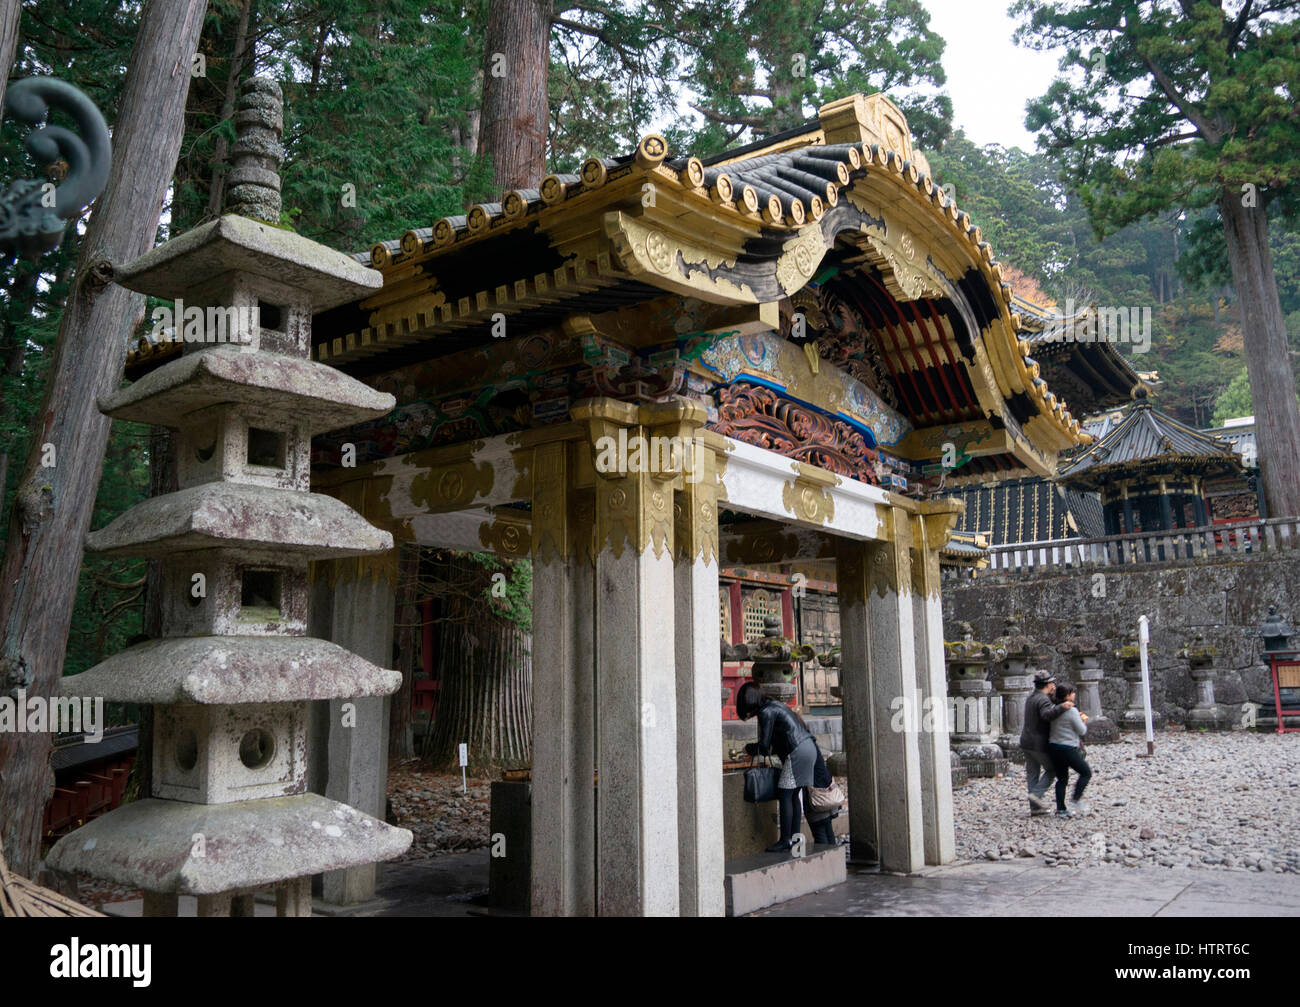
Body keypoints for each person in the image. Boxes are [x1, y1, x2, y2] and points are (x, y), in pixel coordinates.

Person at [736, 681, 820, 853]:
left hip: (796, 751)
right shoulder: (774, 705)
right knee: (794, 795)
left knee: (785, 793)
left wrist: (748, 748)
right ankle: (795, 840)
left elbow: (765, 747)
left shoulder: (766, 712)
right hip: (808, 748)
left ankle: (785, 840)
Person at [1020, 670, 1073, 816]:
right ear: (1047, 684)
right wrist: (1062, 707)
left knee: (1032, 773)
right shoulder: (1043, 699)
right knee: (1052, 769)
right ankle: (1036, 796)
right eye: (1052, 683)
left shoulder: (1031, 697)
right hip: (1038, 743)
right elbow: (1046, 715)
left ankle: (1035, 807)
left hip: (1026, 740)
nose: (1054, 686)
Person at [1047, 681, 1092, 817]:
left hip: (1054, 747)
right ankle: (1076, 798)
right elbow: (1082, 731)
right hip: (1067, 747)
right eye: (1072, 692)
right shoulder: (1071, 711)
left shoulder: (1054, 708)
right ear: (1067, 695)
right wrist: (1082, 721)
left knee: (1062, 779)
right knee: (1085, 772)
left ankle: (1061, 809)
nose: (1074, 695)